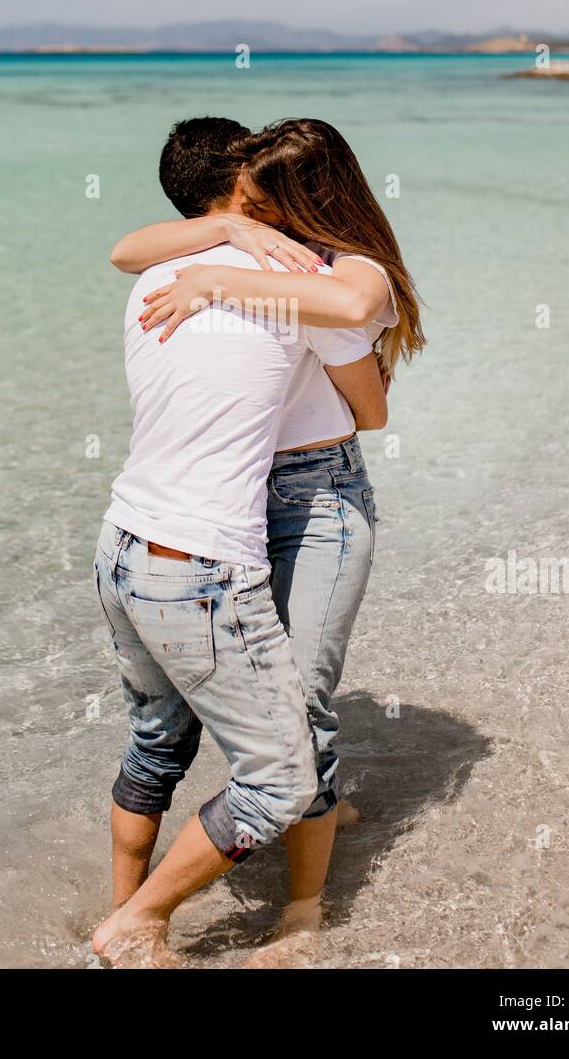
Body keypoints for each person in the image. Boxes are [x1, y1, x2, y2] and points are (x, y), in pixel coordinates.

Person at [114, 117, 424, 964]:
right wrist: (224, 239)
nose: (252, 214)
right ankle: (294, 815)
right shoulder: (240, 254)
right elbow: (125, 248)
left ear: (305, 200)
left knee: (307, 701)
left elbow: (367, 361)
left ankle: (305, 907)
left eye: (261, 201)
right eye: (242, 202)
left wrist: (222, 278)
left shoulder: (334, 274)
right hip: (240, 501)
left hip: (319, 493)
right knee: (250, 704)